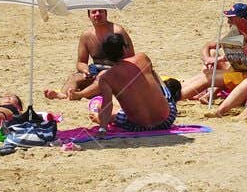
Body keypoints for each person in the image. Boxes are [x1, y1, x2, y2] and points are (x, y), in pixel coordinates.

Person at [48, 33, 181, 132]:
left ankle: (84, 100)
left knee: (100, 107)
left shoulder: (107, 77)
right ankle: (81, 96)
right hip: (167, 118)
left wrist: (103, 128)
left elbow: (107, 106)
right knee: (153, 75)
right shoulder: (142, 58)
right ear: (124, 49)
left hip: (139, 127)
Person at [179, 3, 247, 102]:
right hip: (236, 71)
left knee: (207, 78)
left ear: (242, 21)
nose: (228, 22)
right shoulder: (235, 33)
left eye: (231, 19)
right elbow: (208, 46)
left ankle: (176, 98)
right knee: (208, 67)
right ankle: (175, 91)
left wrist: (245, 40)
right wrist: (207, 59)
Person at [48, 7, 134, 98]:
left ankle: (80, 94)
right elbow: (81, 62)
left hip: (117, 72)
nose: (97, 14)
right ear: (89, 16)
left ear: (106, 14)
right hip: (95, 71)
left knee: (102, 76)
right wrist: (86, 71)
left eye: (101, 11)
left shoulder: (117, 31)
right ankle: (63, 95)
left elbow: (131, 58)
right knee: (75, 77)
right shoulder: (86, 35)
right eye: (94, 12)